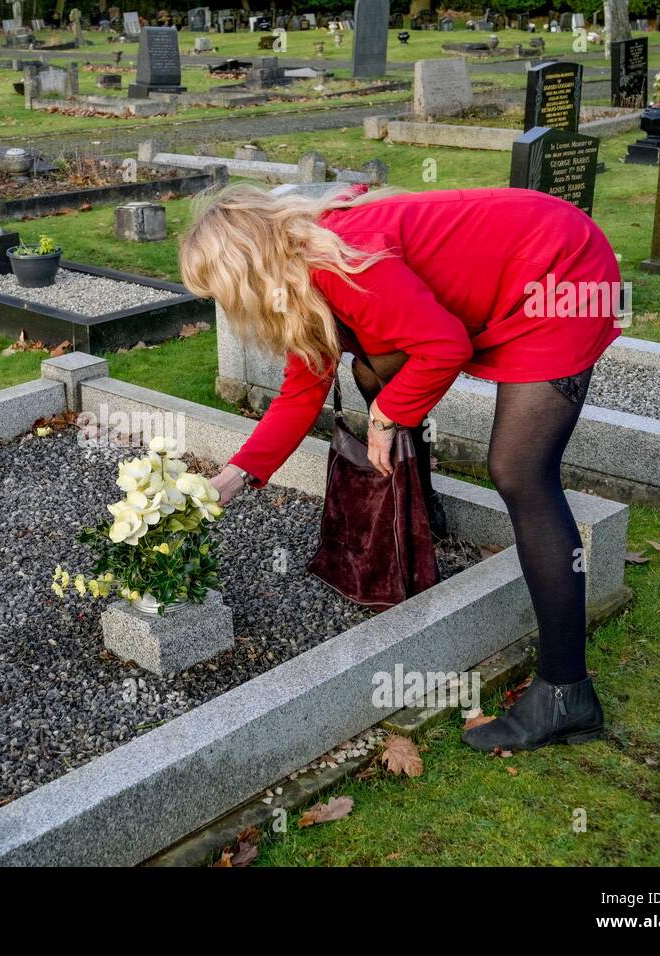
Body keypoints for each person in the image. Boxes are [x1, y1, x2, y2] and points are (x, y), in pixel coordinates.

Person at [179, 184, 623, 752]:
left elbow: (443, 344)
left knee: (518, 470)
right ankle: (420, 515)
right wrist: (233, 478)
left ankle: (567, 694)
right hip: (525, 258)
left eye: (219, 291)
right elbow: (301, 391)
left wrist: (387, 418)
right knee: (375, 369)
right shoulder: (301, 274)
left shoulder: (342, 265)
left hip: (559, 267)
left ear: (245, 270)